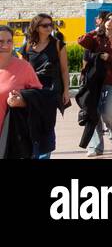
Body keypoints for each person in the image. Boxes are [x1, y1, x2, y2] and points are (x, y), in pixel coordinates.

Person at [77, 11, 112, 157]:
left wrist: (110, 57)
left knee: (107, 112)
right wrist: (95, 30)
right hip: (94, 81)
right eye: (108, 19)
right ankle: (95, 147)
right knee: (93, 112)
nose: (109, 22)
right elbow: (81, 41)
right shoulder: (96, 38)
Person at [19, 13, 69, 158]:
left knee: (48, 125)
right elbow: (22, 68)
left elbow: (65, 70)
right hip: (31, 91)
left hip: (51, 91)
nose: (49, 28)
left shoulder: (58, 45)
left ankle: (44, 156)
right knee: (31, 124)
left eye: (50, 25)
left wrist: (66, 91)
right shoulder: (28, 46)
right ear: (36, 27)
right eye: (45, 25)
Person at [0, 24, 48, 159]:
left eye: (9, 41)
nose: (5, 45)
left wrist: (22, 101)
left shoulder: (24, 67)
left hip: (11, 137)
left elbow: (40, 98)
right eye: (0, 41)